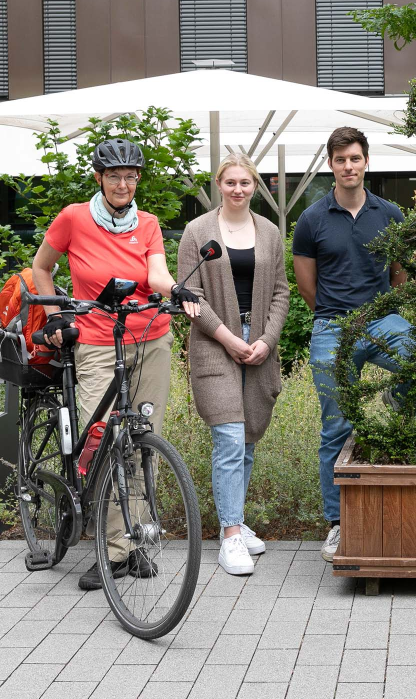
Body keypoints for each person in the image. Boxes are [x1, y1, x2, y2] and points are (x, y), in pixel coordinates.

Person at [31, 138, 200, 591]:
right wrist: (56, 317)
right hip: (97, 340)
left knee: (144, 439)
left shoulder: (147, 223)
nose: (123, 183)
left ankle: (137, 539)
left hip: (149, 339)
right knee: (103, 436)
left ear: (137, 179)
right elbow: (40, 268)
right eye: (114, 176)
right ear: (99, 179)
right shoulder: (73, 218)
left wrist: (175, 292)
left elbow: (157, 274)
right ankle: (114, 551)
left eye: (130, 176)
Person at [292, 127, 416, 561]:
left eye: (356, 158)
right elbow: (306, 283)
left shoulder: (390, 214)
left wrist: (388, 313)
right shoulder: (312, 219)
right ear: (331, 164)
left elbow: (399, 273)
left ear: (367, 162)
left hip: (384, 321)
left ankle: (393, 403)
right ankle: (338, 523)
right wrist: (334, 316)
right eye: (341, 159)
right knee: (337, 427)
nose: (348, 166)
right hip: (332, 327)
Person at [179, 153, 289, 576]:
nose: (238, 189)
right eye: (231, 183)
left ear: (255, 186)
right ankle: (229, 537)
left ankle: (238, 521)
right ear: (219, 185)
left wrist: (266, 339)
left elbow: (280, 292)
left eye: (246, 183)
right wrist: (227, 337)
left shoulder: (270, 232)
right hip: (214, 343)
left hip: (258, 344)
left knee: (245, 441)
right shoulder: (197, 231)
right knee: (227, 437)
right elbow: (190, 293)